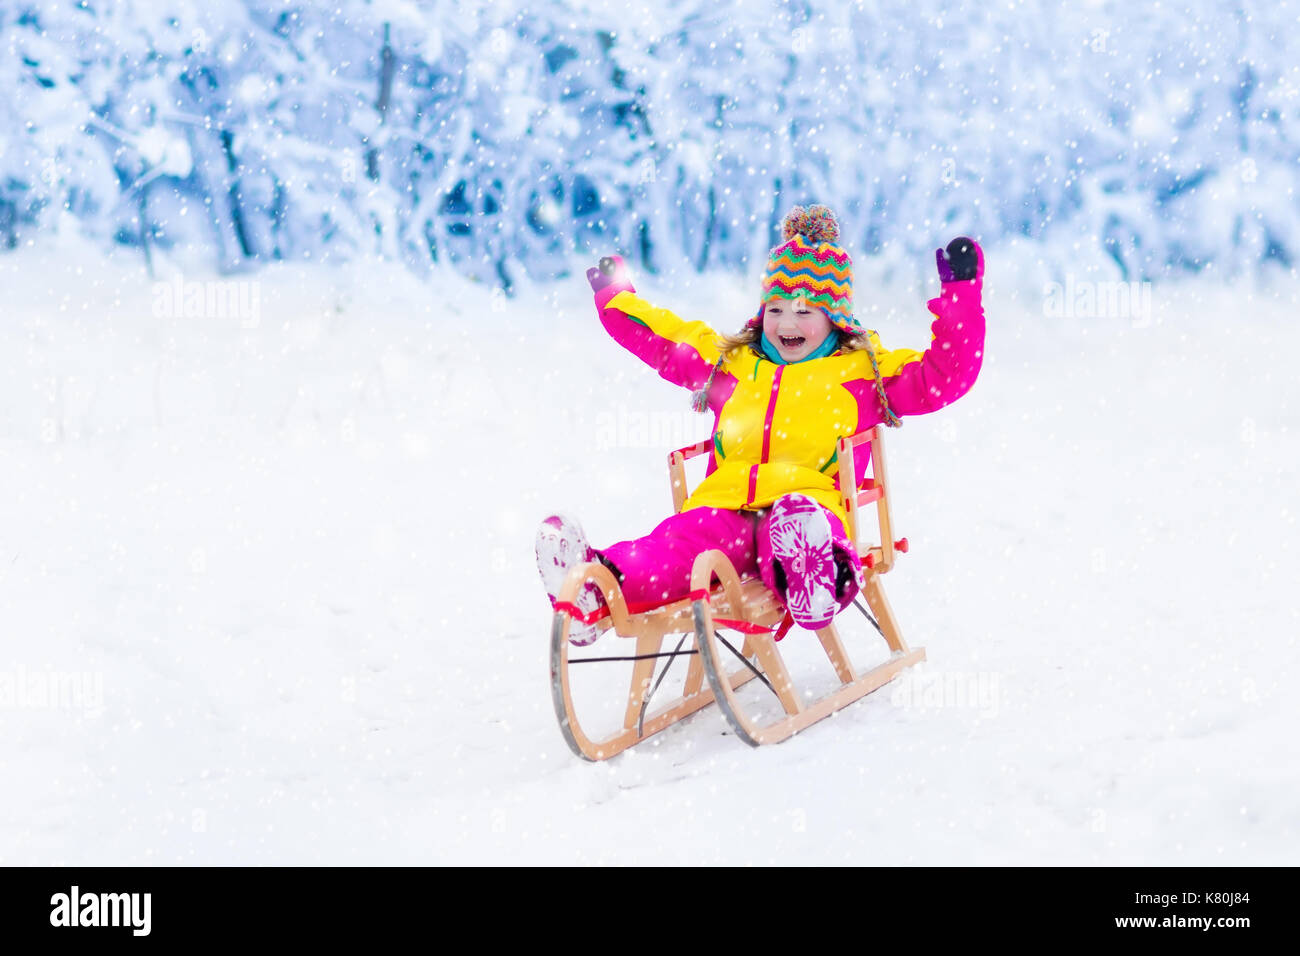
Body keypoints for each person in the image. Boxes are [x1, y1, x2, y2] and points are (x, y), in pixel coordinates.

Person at [537, 204, 985, 645]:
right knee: (674, 547)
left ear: (835, 317)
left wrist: (961, 294)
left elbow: (943, 375)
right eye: (776, 310)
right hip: (725, 507)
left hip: (809, 502)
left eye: (805, 311)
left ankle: (812, 578)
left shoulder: (862, 374)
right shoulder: (731, 365)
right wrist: (615, 298)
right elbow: (663, 338)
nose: (787, 323)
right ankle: (595, 590)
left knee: (797, 523)